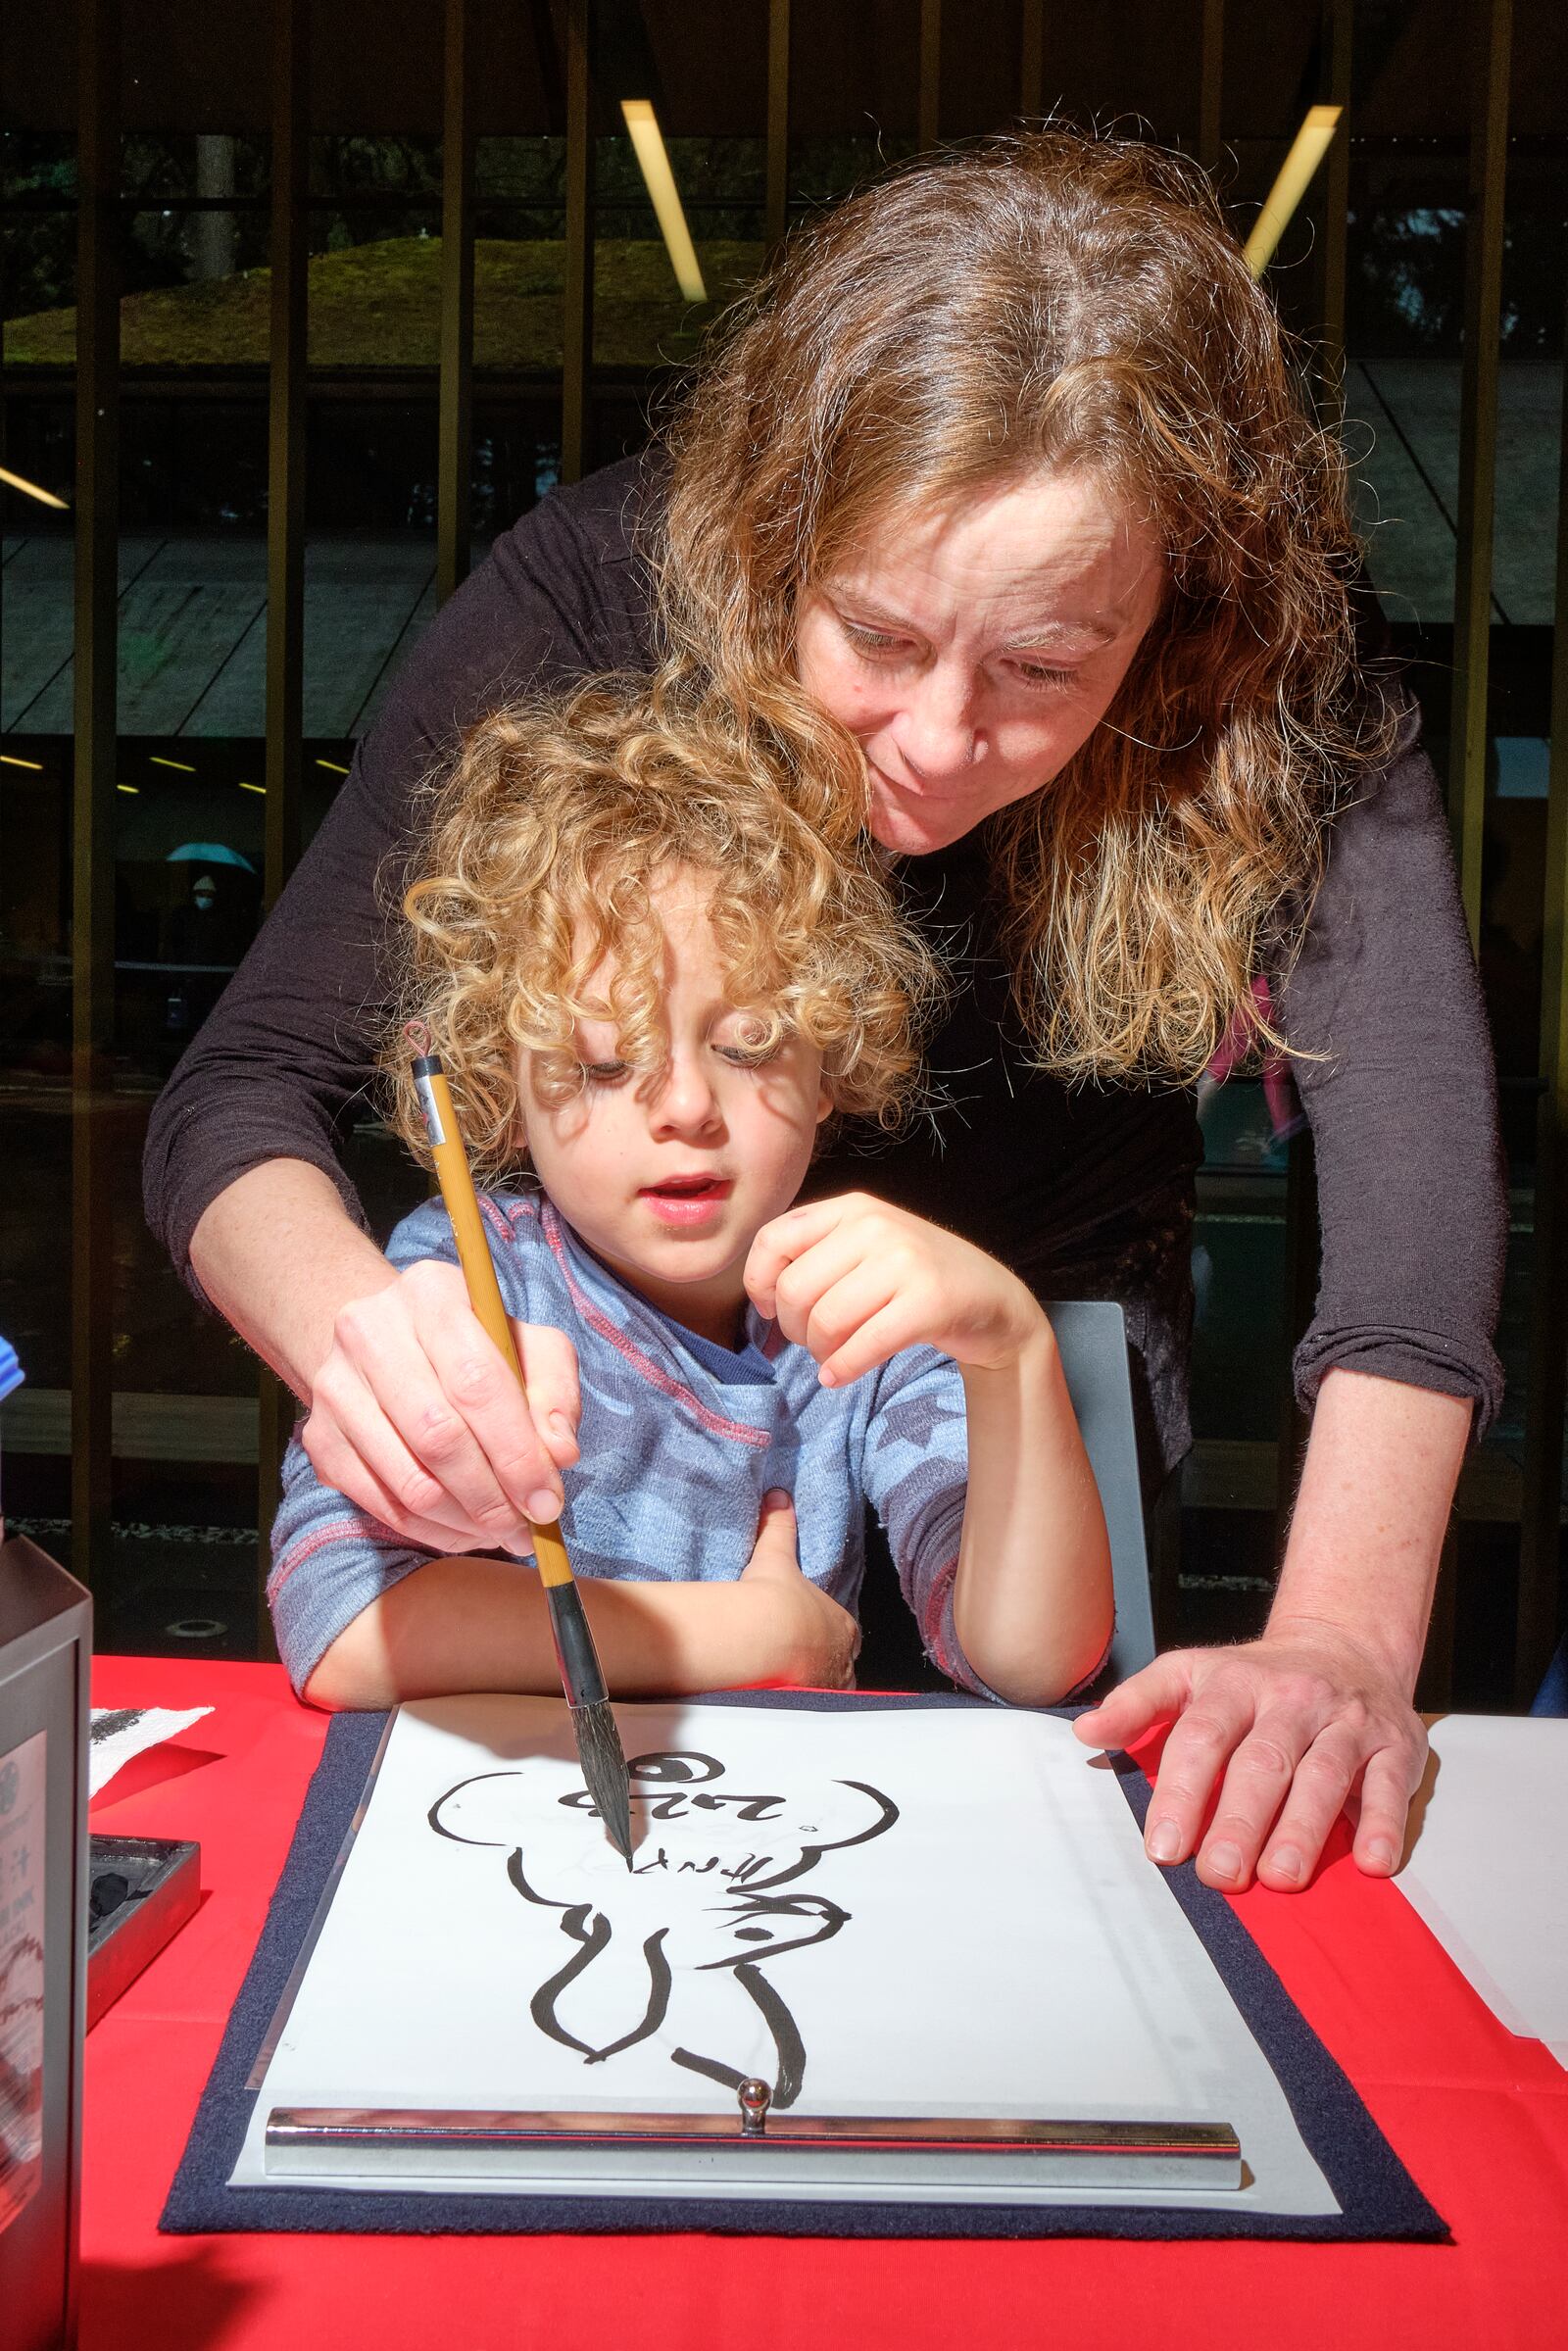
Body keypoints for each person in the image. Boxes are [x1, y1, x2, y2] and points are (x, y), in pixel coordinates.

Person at [145, 129, 1504, 1893]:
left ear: (1171, 612)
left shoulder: (1277, 673)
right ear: (773, 524)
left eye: (1042, 670)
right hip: (621, 1383)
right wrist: (372, 1348)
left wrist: (1337, 1640)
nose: (940, 746)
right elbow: (242, 1085)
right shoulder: (595, 584)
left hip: (1031, 1362)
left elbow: (1416, 1185)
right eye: (874, 636)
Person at [270, 683, 1113, 1713]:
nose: (683, 1107)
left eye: (747, 1043)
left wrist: (1011, 1349)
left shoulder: (865, 1315)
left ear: (831, 1053)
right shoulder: (469, 1273)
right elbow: (345, 1631)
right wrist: (754, 1636)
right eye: (601, 1063)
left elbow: (1032, 1659)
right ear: (499, 1083)